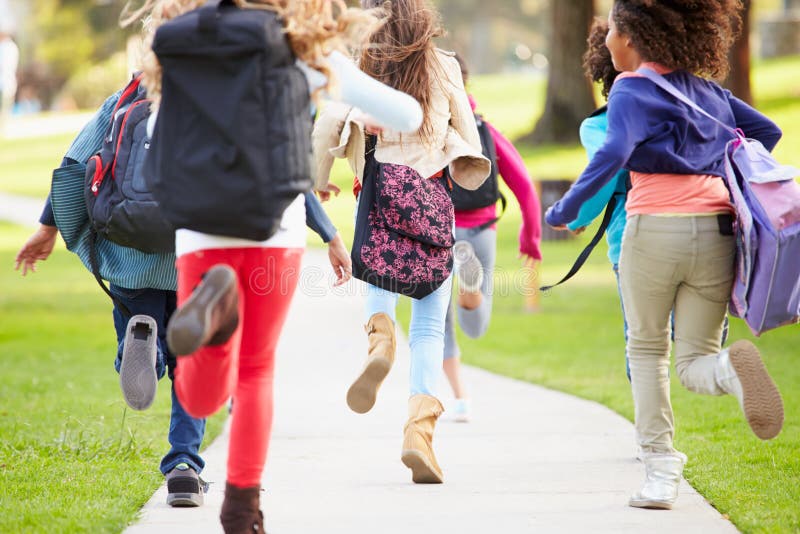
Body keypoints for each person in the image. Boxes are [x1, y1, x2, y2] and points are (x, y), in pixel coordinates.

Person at [139, 0, 423, 531]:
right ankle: (242, 510)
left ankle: (214, 317)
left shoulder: (180, 41)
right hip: (275, 228)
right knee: (255, 369)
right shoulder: (303, 46)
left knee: (202, 388)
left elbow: (156, 130)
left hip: (198, 229)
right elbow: (408, 115)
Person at [545, 0, 785, 510]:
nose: (607, 38)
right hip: (719, 235)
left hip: (654, 231)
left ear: (631, 37)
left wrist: (564, 210)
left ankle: (660, 472)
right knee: (694, 359)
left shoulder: (631, 87)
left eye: (611, 28)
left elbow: (612, 153)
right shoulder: (708, 92)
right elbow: (767, 133)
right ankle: (730, 372)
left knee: (648, 351)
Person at [313, 0, 490, 484]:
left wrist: (319, 180)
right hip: (433, 200)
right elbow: (467, 132)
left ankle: (379, 343)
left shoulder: (358, 66)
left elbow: (328, 122)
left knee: (378, 279)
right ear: (422, 21)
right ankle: (420, 434)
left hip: (379, 199)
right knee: (431, 327)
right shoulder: (446, 65)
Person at [569, 20, 729, 384]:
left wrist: (576, 216)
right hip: (705, 226)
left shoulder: (601, 123)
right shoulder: (689, 108)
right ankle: (714, 344)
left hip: (635, 237)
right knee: (694, 339)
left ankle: (651, 436)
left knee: (642, 346)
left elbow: (605, 177)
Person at [442, 54, 542, 422]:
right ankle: (471, 292)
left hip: (440, 232)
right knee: (476, 325)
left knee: (437, 321)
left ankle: (461, 398)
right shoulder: (484, 127)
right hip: (482, 229)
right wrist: (530, 238)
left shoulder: (429, 131)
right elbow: (523, 184)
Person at [0, 23, 19, 134]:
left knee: (4, 108)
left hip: (4, 82)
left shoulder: (7, 47)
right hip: (7, 82)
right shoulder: (9, 46)